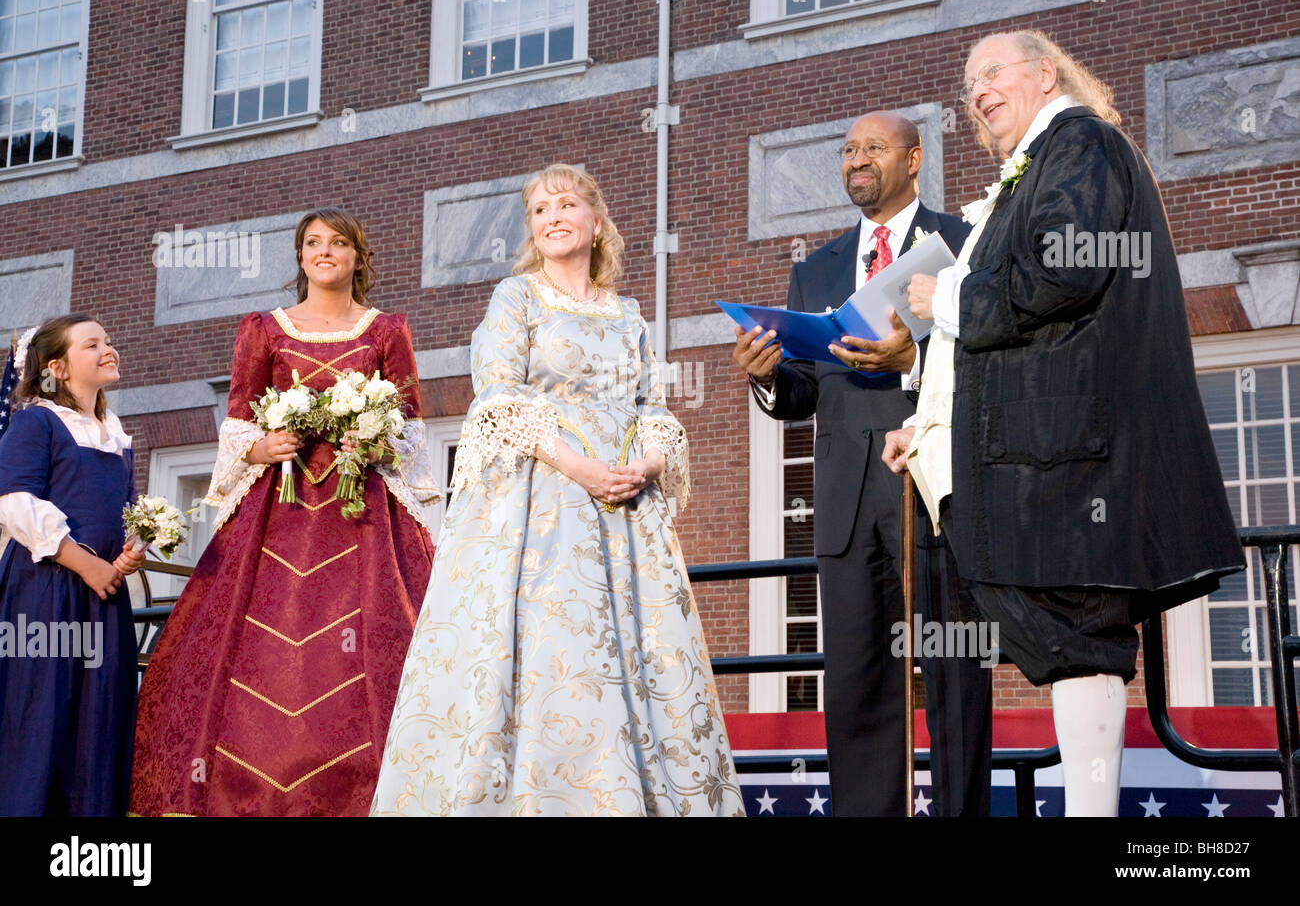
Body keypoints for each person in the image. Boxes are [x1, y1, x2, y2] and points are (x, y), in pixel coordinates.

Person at [886, 30, 1244, 815]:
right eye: (967, 82)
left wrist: (943, 296)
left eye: (992, 73)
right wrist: (931, 426)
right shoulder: (1045, 163)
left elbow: (1063, 270)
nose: (976, 91)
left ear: (1044, 74)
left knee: (1079, 640)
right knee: (1071, 645)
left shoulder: (1080, 143)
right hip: (1045, 457)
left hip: (1069, 461)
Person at [371, 165, 743, 816]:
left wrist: (652, 461)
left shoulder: (628, 314)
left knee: (640, 653)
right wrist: (579, 468)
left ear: (596, 222)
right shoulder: (517, 299)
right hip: (543, 506)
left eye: (566, 204)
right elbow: (499, 398)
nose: (552, 217)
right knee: (552, 650)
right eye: (539, 210)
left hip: (628, 513)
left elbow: (650, 403)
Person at [130, 208, 439, 816]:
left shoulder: (388, 331)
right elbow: (238, 422)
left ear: (359, 256)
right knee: (256, 651)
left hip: (364, 513)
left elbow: (412, 427)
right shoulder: (262, 330)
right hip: (279, 511)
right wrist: (262, 446)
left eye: (338, 243)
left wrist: (376, 442)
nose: (325, 252)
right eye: (313, 244)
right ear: (300, 258)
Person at [733, 111, 985, 816]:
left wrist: (915, 359)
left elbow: (993, 359)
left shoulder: (961, 244)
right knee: (856, 684)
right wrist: (767, 375)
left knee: (955, 679)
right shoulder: (814, 269)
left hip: (936, 492)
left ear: (914, 158)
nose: (856, 160)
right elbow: (803, 391)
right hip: (843, 508)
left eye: (873, 147)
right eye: (846, 150)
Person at [0, 315, 146, 815]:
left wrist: (130, 549)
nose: (109, 349)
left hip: (103, 596)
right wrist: (86, 565)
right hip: (46, 595)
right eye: (93, 344)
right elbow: (15, 502)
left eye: (108, 340)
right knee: (41, 718)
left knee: (100, 720)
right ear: (58, 367)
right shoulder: (35, 420)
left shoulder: (115, 430)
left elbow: (124, 509)